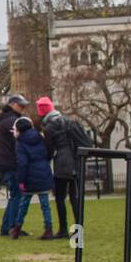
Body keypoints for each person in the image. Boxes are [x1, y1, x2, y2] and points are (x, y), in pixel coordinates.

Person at [38, 96, 81, 236]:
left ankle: (63, 229)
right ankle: (78, 230)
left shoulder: (49, 127)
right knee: (75, 197)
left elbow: (49, 149)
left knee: (60, 197)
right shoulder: (67, 121)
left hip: (61, 163)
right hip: (75, 160)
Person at [0, 93, 33, 237]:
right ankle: (12, 227)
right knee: (18, 195)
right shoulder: (13, 122)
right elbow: (20, 142)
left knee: (14, 196)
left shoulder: (4, 120)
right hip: (12, 163)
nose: (23, 108)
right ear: (12, 104)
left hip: (5, 162)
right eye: (20, 105)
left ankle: (6, 227)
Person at [12, 115, 55, 239]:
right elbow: (48, 152)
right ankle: (48, 229)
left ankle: (17, 228)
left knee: (24, 204)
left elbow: (22, 163)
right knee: (45, 204)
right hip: (43, 172)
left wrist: (21, 180)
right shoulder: (39, 137)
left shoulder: (20, 143)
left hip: (29, 176)